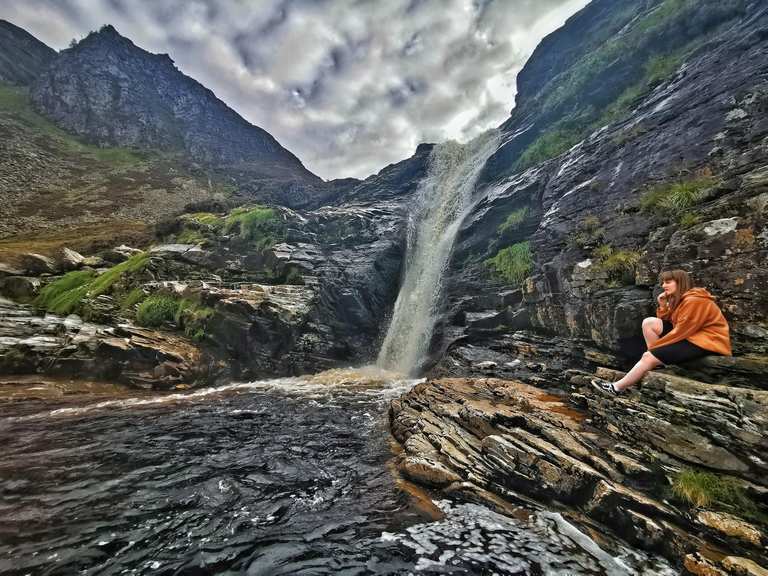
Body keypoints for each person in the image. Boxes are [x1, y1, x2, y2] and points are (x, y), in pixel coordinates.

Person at [591, 269, 731, 394]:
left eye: (668, 282)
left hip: (708, 341)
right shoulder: (682, 299)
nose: (663, 286)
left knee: (647, 357)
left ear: (680, 283)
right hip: (692, 335)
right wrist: (663, 305)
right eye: (663, 282)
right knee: (649, 323)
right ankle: (657, 362)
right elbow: (671, 321)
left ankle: (616, 388)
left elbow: (682, 330)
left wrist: (654, 351)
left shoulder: (695, 301)